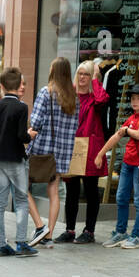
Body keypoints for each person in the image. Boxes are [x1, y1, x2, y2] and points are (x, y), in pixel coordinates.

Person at [25, 57, 79, 246]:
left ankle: (40, 226)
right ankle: (49, 236)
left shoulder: (46, 92)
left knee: (22, 187)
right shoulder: (74, 97)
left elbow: (36, 121)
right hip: (62, 152)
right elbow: (75, 126)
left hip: (42, 151)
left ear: (53, 71)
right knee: (54, 191)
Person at [0, 66, 37, 258]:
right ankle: (21, 242)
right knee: (21, 200)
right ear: (18, 85)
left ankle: (0, 244)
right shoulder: (22, 107)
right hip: (16, 159)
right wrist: (30, 135)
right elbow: (21, 136)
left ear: (2, 86)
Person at [57, 59, 109, 244]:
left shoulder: (95, 97)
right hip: (72, 147)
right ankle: (69, 229)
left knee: (90, 190)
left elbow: (103, 99)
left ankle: (89, 231)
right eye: (80, 73)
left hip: (91, 148)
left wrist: (95, 77)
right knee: (71, 190)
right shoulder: (70, 95)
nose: (82, 77)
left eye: (86, 74)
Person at [96, 81, 139, 249]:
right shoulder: (131, 118)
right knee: (121, 198)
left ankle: (136, 235)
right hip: (127, 164)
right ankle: (121, 232)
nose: (134, 101)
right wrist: (101, 153)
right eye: (132, 98)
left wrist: (126, 131)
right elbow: (116, 137)